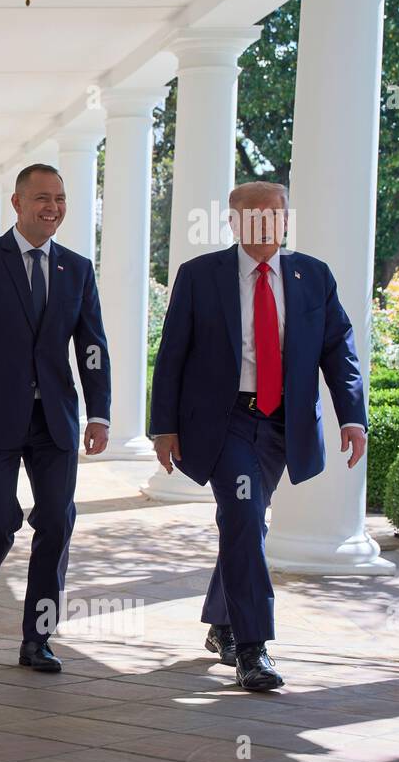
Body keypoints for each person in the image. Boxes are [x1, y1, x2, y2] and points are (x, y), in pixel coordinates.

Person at [149, 181, 367, 691]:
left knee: (246, 525)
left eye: (275, 214)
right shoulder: (201, 276)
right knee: (245, 515)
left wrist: (353, 416)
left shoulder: (313, 276)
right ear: (233, 221)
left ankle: (221, 622)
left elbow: (339, 350)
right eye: (254, 216)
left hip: (280, 425)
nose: (266, 223)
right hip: (224, 423)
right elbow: (172, 355)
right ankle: (252, 647)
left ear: (287, 219)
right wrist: (165, 427)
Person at [0, 163, 111, 671]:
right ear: (16, 203)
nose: (52, 207)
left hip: (54, 418)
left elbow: (92, 345)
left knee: (57, 520)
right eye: (41, 198)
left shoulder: (76, 269)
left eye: (59, 198)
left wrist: (99, 412)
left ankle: (38, 638)